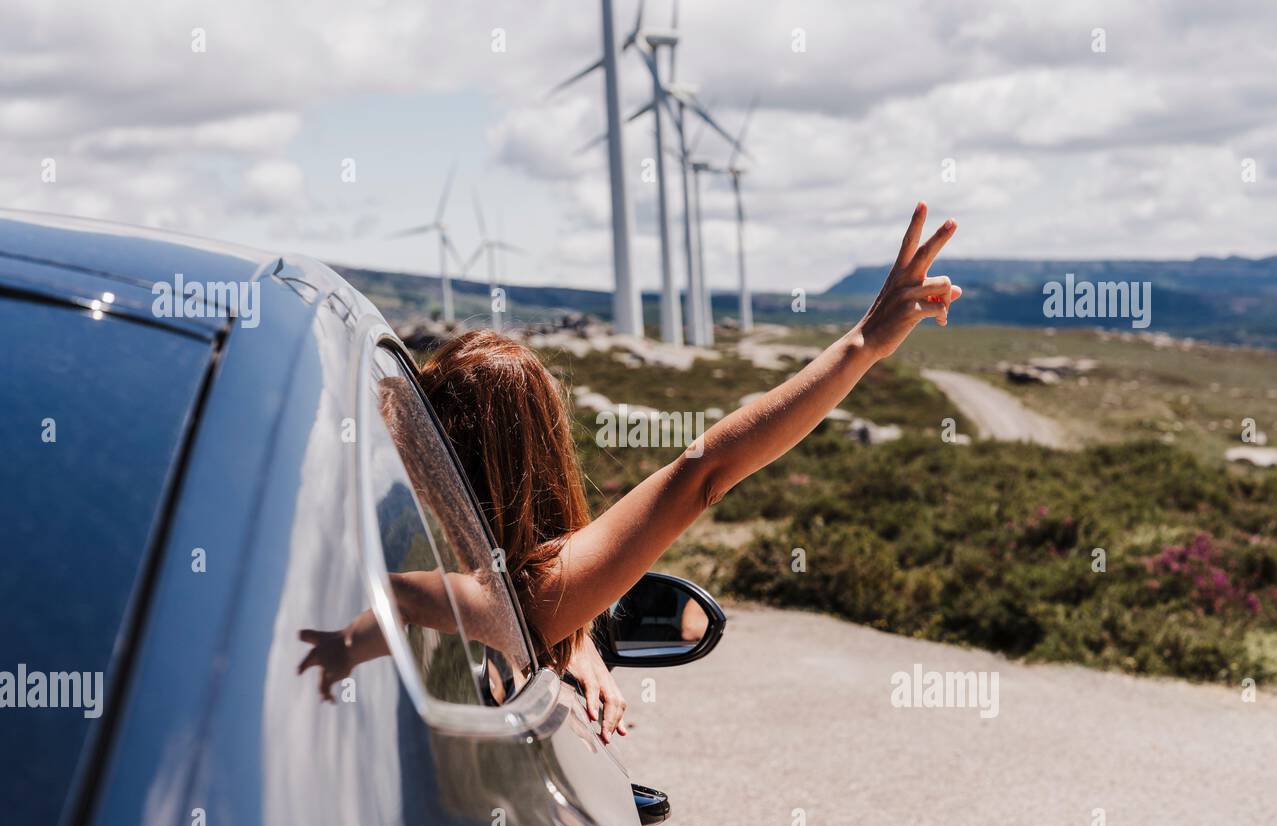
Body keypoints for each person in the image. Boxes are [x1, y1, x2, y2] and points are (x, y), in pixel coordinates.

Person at [303, 203, 959, 742]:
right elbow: (704, 471)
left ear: (431, 450)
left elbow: (406, 593)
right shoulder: (531, 593)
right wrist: (863, 343)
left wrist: (337, 635)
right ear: (545, 451)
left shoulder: (493, 582)